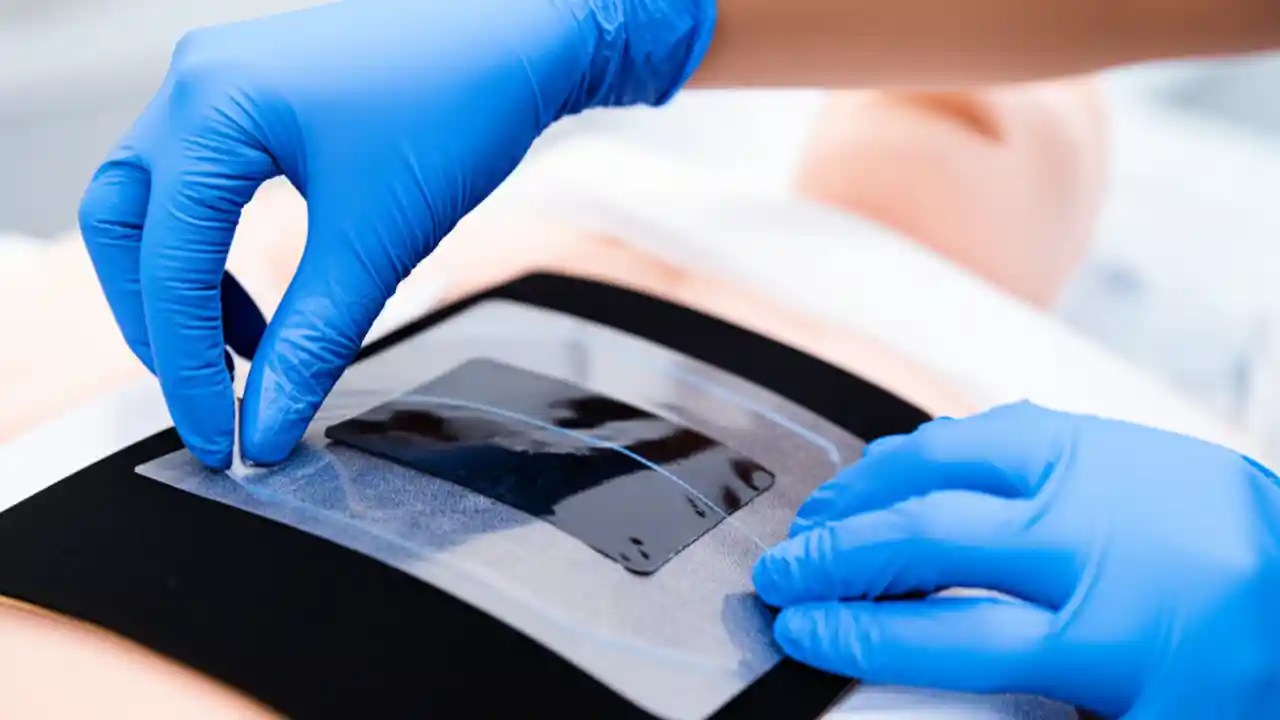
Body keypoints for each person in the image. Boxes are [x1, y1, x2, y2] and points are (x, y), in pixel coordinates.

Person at [75, 1, 1280, 717]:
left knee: (970, 134)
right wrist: (617, 19)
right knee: (968, 135)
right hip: (770, 295)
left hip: (841, 319)